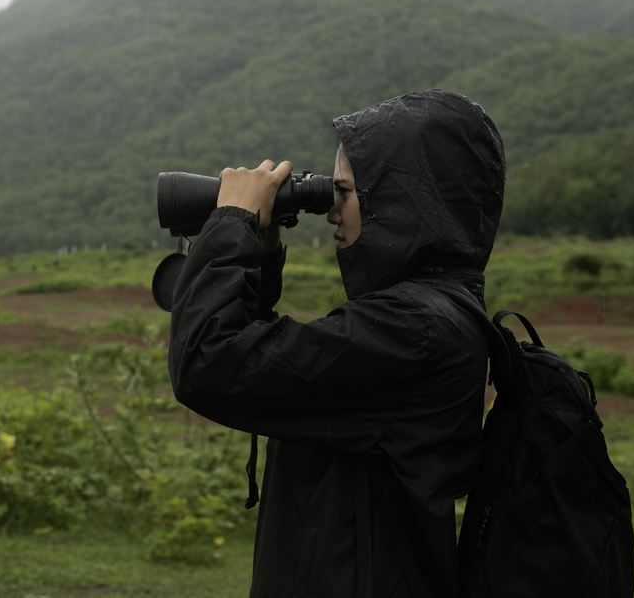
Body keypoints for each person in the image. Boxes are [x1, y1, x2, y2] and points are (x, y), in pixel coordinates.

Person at [167, 89, 506, 597]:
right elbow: (270, 370)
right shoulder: (428, 315)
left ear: (401, 204)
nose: (330, 213)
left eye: (344, 193)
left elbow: (208, 362)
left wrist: (230, 222)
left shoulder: (413, 330)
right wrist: (257, 253)